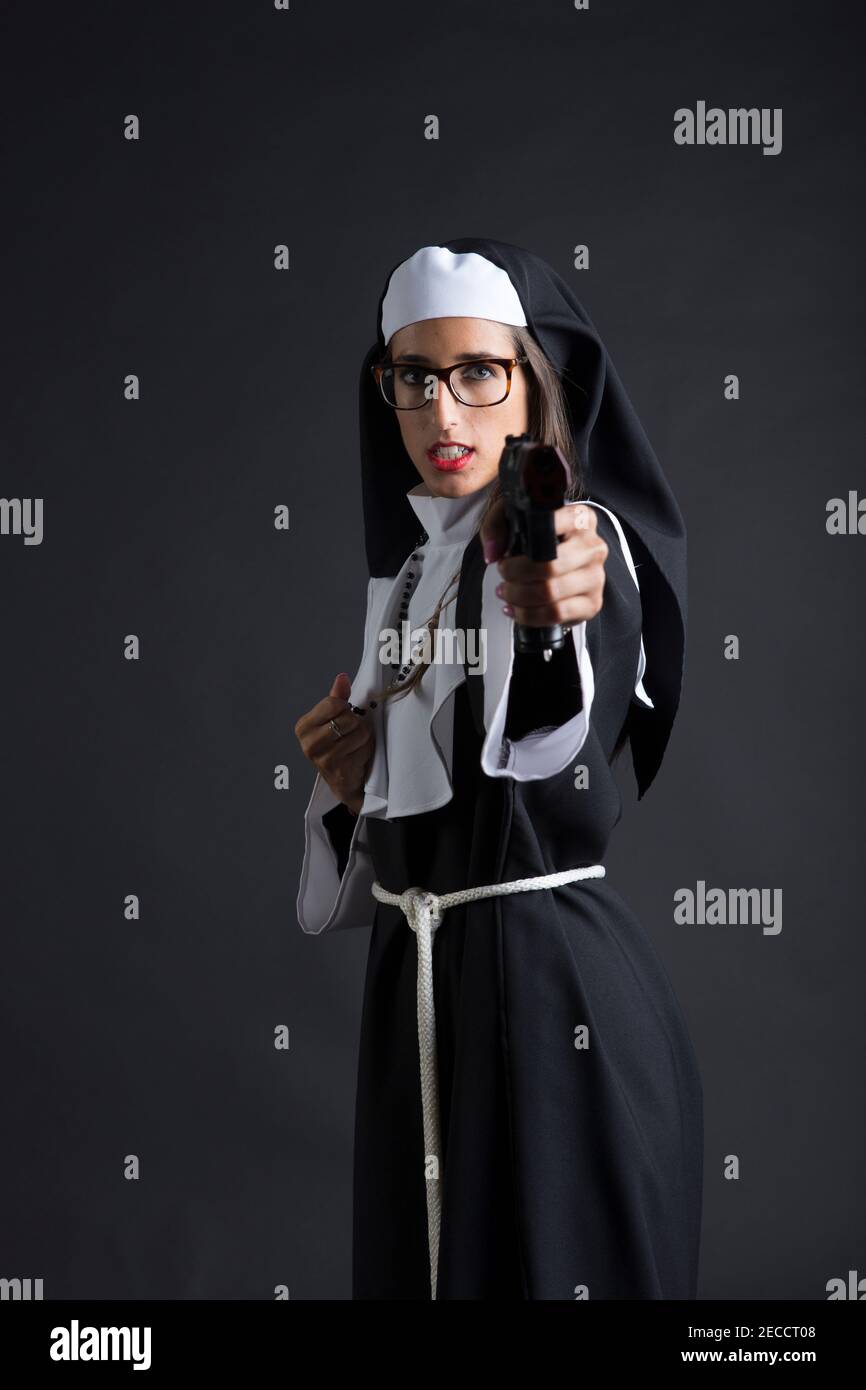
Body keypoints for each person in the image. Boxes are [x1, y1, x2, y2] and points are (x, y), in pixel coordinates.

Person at [294, 238, 703, 1301]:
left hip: (547, 998)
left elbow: (575, 606)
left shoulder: (571, 536)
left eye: (479, 372)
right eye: (414, 379)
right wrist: (350, 793)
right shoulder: (410, 576)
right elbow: (391, 841)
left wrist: (550, 604)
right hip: (418, 987)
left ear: (531, 382)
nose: (445, 414)